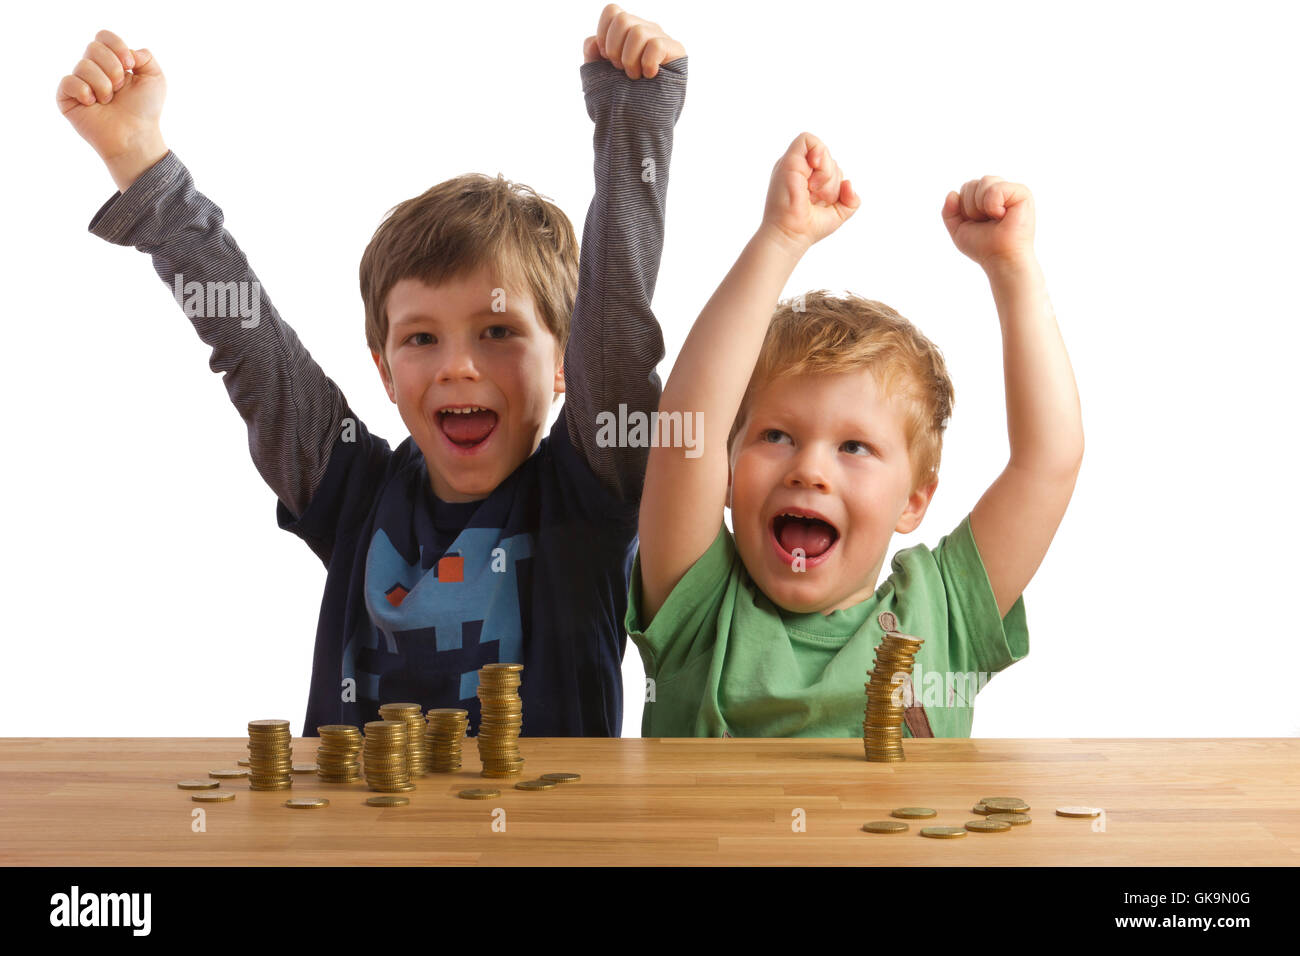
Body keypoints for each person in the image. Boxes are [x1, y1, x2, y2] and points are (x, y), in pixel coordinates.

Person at [57, 6, 688, 736]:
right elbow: (249, 344)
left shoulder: (586, 497)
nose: (457, 366)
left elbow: (617, 327)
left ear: (565, 364)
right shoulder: (354, 490)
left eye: (498, 331)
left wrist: (633, 118)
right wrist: (140, 156)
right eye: (421, 338)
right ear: (384, 372)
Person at [629, 132, 1083, 737]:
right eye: (775, 436)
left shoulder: (942, 611)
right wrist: (780, 239)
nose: (808, 469)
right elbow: (687, 428)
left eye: (854, 447)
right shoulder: (700, 604)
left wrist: (1013, 269)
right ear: (728, 470)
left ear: (914, 500)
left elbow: (1048, 460)